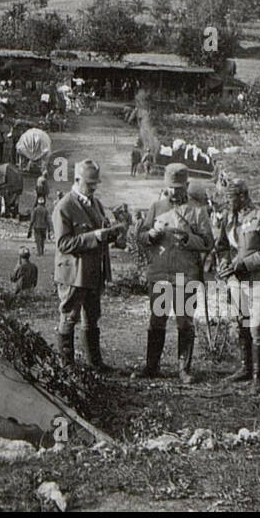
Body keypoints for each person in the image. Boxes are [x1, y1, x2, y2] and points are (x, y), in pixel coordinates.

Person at [133, 165, 212, 383]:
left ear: (186, 185)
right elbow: (140, 237)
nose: (175, 192)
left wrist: (188, 239)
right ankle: (152, 366)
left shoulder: (198, 210)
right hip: (160, 276)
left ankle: (183, 369)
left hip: (185, 277)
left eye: (179, 188)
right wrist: (151, 234)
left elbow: (208, 242)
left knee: (185, 323)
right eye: (170, 188)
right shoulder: (157, 207)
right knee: (157, 321)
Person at [53, 159, 124, 369]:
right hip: (73, 276)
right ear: (76, 180)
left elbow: (102, 231)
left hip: (93, 273)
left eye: (95, 184)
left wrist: (113, 234)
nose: (93, 187)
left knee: (92, 318)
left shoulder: (96, 203)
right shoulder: (64, 206)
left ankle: (95, 363)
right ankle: (66, 367)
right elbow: (63, 244)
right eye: (89, 184)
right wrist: (94, 237)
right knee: (69, 318)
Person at [212, 179, 260, 393]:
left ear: (242, 196)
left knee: (256, 328)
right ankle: (246, 368)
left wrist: (243, 264)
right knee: (241, 323)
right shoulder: (229, 219)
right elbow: (222, 246)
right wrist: (224, 262)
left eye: (230, 198)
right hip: (236, 282)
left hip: (257, 281)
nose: (226, 202)